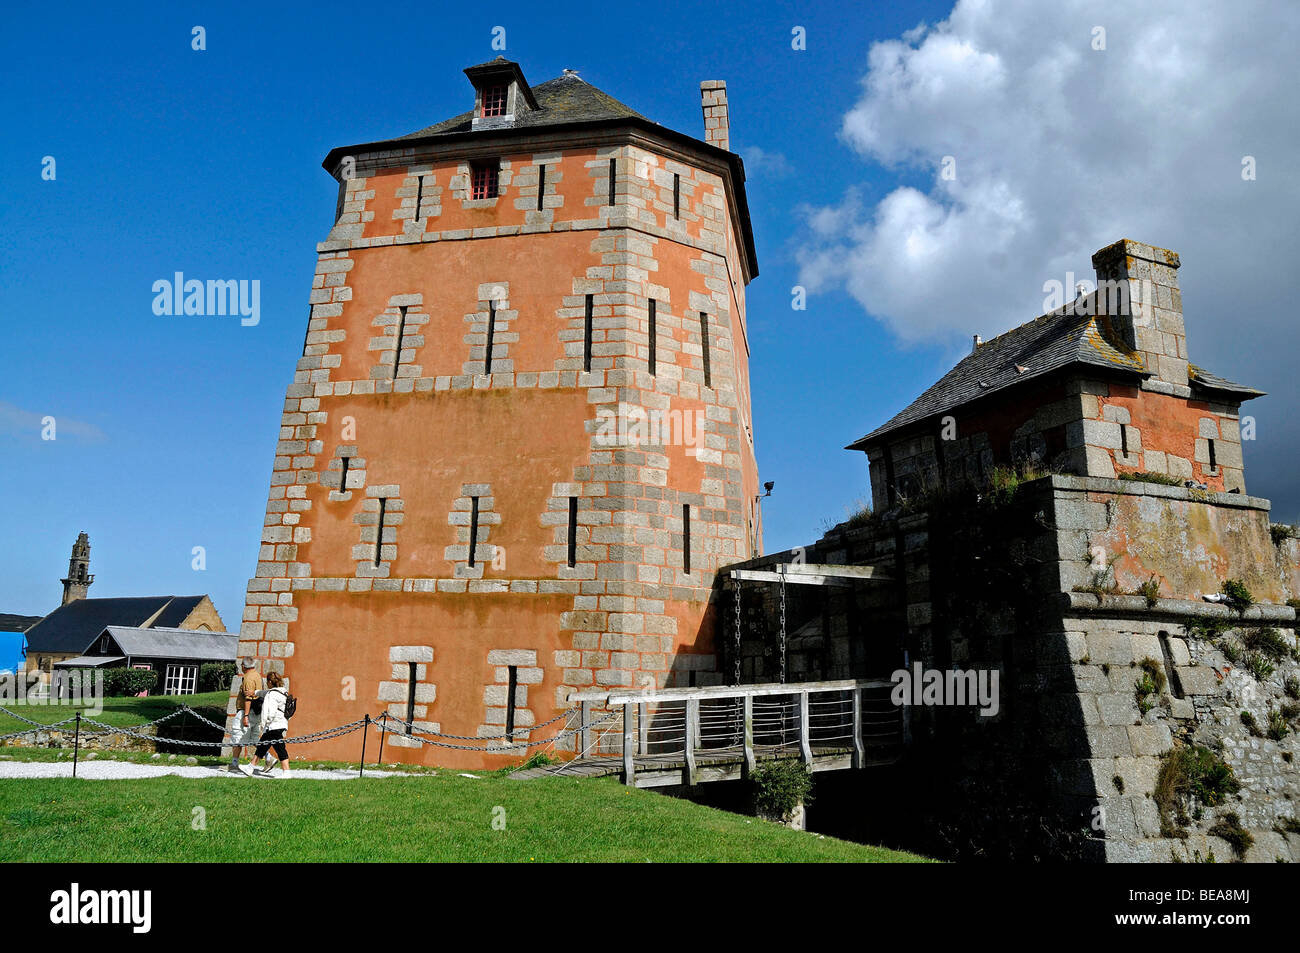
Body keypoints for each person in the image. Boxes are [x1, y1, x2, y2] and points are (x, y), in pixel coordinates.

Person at [249, 671, 292, 778]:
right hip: (281, 723)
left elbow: (271, 712)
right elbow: (265, 693)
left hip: (274, 725)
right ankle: (250, 766)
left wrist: (265, 724)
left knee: (280, 748)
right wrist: (255, 692)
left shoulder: (272, 694)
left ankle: (287, 772)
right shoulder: (282, 692)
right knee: (262, 747)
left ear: (269, 681)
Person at [228, 658, 263, 774]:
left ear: (243, 666)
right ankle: (268, 757)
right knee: (254, 738)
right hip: (256, 711)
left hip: (246, 711)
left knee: (238, 735)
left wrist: (246, 716)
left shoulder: (248, 678)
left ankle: (234, 763)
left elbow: (248, 698)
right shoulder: (257, 675)